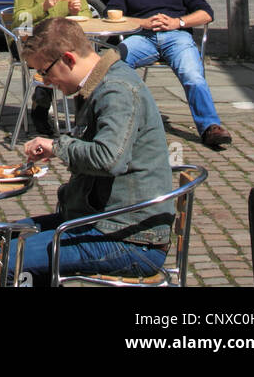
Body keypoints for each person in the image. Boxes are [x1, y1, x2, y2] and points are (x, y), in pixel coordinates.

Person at [14, 17, 174, 286]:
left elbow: (109, 159)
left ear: (68, 59)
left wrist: (58, 145)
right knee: (5, 237)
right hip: (102, 221)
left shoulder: (116, 90)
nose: (46, 82)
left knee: (5, 260)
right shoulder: (97, 84)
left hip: (130, 240)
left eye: (45, 72)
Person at [106, 0, 231, 149]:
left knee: (193, 75)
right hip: (141, 37)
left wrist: (178, 22)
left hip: (176, 37)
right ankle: (121, 122)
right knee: (111, 65)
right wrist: (141, 22)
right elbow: (111, 17)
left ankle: (210, 127)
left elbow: (206, 14)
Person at [13, 0, 90, 135]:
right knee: (55, 58)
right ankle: (40, 109)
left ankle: (85, 115)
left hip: (65, 42)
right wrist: (44, 7)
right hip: (33, 41)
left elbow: (86, 15)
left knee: (85, 61)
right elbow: (19, 18)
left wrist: (75, 11)